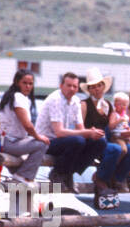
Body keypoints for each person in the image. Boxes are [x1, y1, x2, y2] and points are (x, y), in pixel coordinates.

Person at [35, 71, 110, 200]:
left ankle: (68, 173)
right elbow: (59, 132)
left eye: (74, 86)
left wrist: (91, 133)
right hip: (46, 141)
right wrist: (87, 133)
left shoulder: (75, 101)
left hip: (61, 141)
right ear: (61, 86)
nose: (72, 89)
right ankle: (57, 173)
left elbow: (80, 128)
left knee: (100, 142)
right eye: (68, 85)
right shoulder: (55, 99)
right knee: (78, 141)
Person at [79, 68, 127, 207]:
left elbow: (112, 127)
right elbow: (80, 127)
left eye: (99, 85)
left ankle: (111, 178)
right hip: (90, 140)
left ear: (103, 87)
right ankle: (100, 179)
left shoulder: (108, 105)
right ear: (89, 89)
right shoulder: (84, 104)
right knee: (115, 150)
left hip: (105, 139)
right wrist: (91, 132)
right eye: (93, 87)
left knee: (125, 149)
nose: (97, 89)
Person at [0, 70, 47, 186]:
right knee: (43, 144)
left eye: (31, 83)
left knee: (41, 141)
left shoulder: (20, 97)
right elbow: (28, 125)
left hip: (11, 141)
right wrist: (39, 137)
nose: (28, 86)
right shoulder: (18, 97)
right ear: (17, 82)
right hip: (8, 142)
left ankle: (20, 176)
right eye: (25, 83)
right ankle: (23, 176)